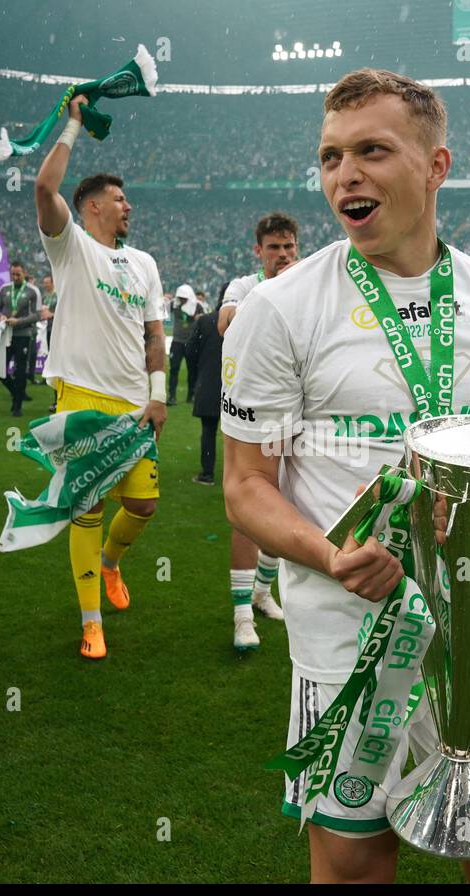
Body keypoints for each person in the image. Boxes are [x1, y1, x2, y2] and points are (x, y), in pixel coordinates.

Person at [221, 70, 470, 884]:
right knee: (357, 868)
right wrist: (330, 557)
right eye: (329, 157)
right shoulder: (280, 309)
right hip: (346, 639)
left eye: (371, 151)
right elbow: (246, 484)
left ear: (436, 166)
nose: (343, 176)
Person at [34, 93, 168, 661]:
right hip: (82, 395)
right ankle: (91, 623)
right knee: (85, 508)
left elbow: (155, 338)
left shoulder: (145, 264)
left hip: (135, 403)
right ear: (90, 207)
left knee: (142, 507)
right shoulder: (72, 249)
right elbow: (44, 189)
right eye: (118, 198)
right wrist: (72, 126)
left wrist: (159, 395)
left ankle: (111, 564)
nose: (128, 205)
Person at [217, 211, 301, 652]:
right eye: (274, 248)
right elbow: (226, 322)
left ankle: (264, 594)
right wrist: (271, 297)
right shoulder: (245, 286)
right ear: (259, 252)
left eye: (289, 247)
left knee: (288, 509)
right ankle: (240, 614)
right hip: (252, 416)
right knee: (249, 515)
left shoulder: (309, 283)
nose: (284, 255)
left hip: (298, 415)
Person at [188, 283, 228, 486]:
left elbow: (191, 352)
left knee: (208, 430)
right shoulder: (246, 321)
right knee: (238, 434)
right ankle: (238, 475)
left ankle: (207, 473)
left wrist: (196, 380)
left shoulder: (205, 321)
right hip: (237, 386)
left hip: (210, 383)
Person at [0, 261, 41, 416]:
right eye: (13, 274)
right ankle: (17, 394)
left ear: (24, 273)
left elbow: (37, 315)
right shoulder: (4, 289)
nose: (15, 277)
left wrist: (19, 322)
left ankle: (17, 407)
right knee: (1, 371)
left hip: (23, 335)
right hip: (6, 335)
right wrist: (0, 316)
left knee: (20, 371)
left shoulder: (32, 291)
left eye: (18, 274)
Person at [166, 284, 199, 406]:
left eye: (184, 298)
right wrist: (165, 300)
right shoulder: (174, 304)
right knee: (174, 369)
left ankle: (191, 396)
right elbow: (160, 311)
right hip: (177, 342)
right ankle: (172, 397)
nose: (182, 300)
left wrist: (199, 318)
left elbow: (203, 319)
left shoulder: (197, 306)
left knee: (192, 370)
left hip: (191, 343)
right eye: (180, 297)